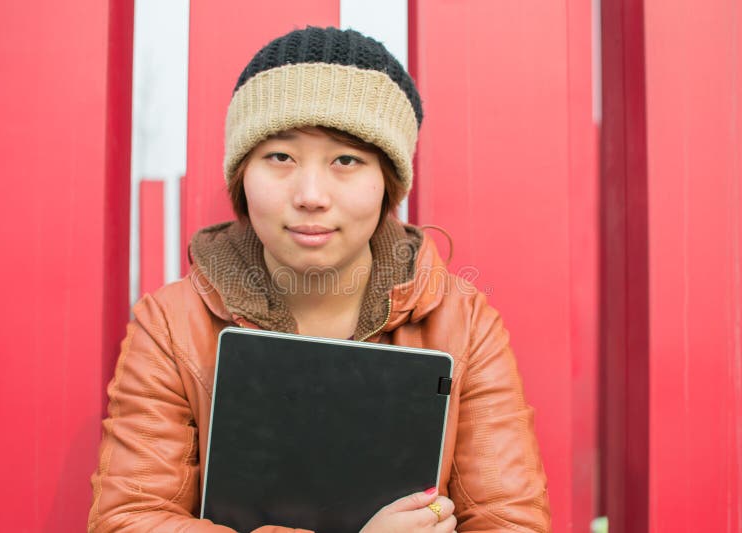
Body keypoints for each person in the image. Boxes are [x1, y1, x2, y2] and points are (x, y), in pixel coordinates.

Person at [88, 26, 551, 533]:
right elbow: (129, 520)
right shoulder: (171, 324)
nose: (311, 194)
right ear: (243, 174)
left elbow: (511, 520)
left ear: (387, 183)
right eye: (280, 157)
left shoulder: (462, 322)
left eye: (346, 160)